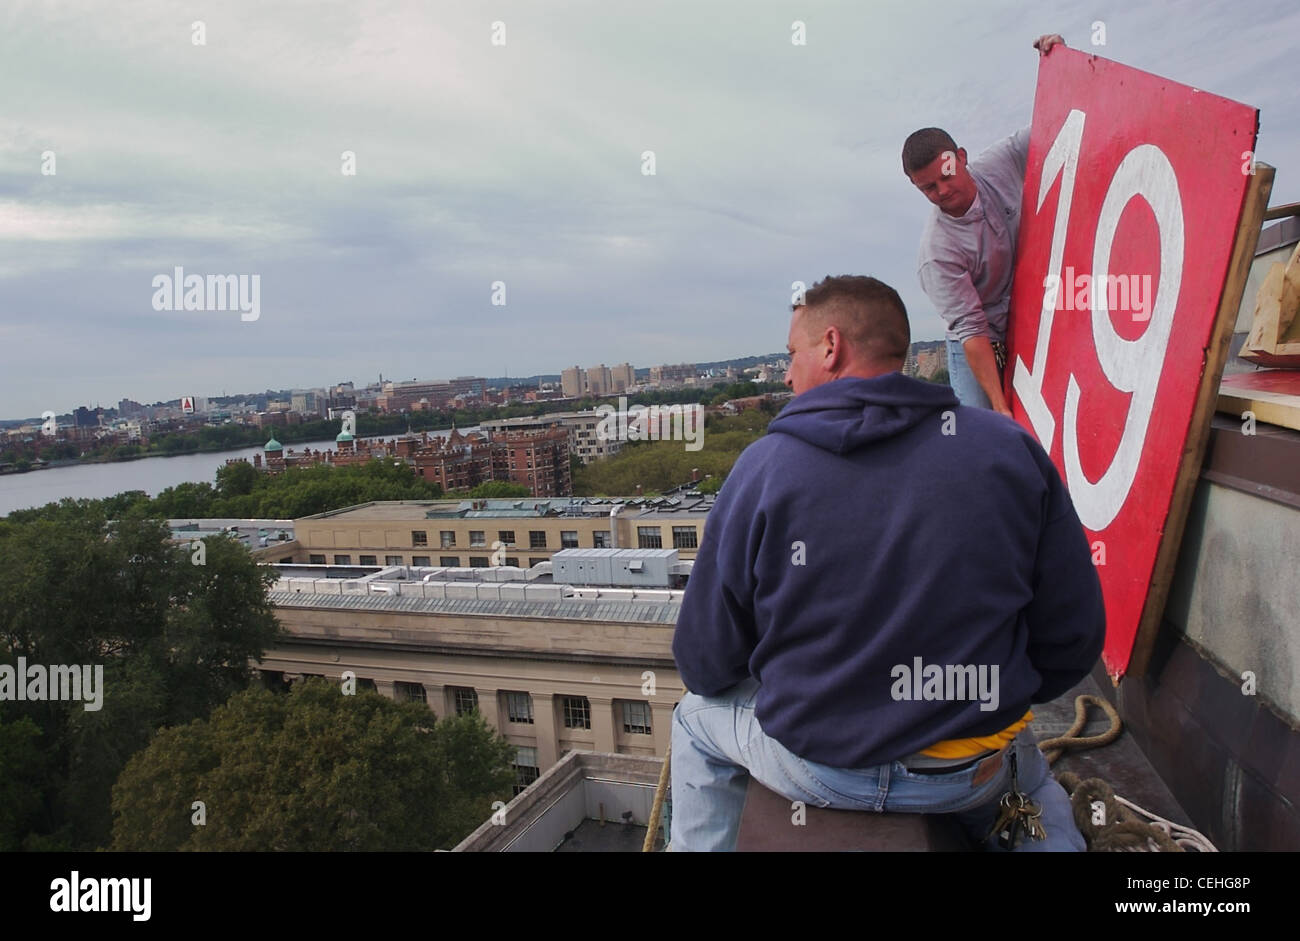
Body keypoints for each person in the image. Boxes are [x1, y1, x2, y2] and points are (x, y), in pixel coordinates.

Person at [668, 274, 1105, 852]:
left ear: (830, 346)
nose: (788, 372)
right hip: (968, 774)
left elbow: (705, 663)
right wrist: (989, 701)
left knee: (695, 717)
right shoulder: (1006, 448)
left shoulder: (764, 468)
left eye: (791, 354)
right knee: (1034, 794)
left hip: (819, 768)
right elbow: (1073, 635)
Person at [904, 33, 1065, 415]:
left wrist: (1060, 61)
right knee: (982, 427)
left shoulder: (1003, 160)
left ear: (961, 156)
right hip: (980, 337)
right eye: (928, 188)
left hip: (1032, 311)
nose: (942, 191)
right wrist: (999, 407)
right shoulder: (937, 254)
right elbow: (973, 331)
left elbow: (1058, 122)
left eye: (946, 175)